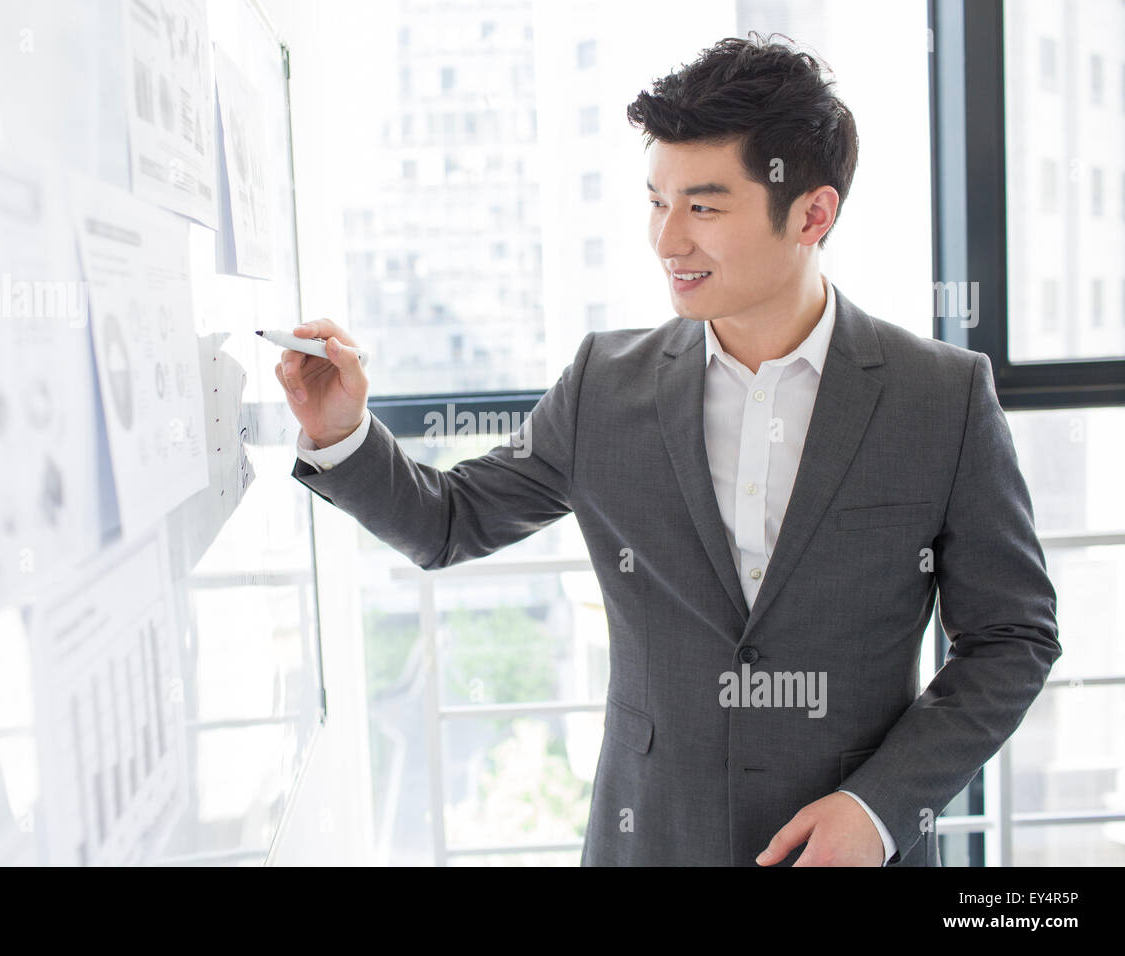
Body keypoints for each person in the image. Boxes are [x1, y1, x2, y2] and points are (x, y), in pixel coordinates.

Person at [274, 33, 1059, 866]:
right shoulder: (605, 386)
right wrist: (342, 432)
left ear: (812, 213)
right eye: (657, 201)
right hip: (649, 839)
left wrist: (877, 808)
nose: (667, 240)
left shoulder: (940, 396)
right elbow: (449, 523)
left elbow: (1012, 637)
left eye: (705, 207)